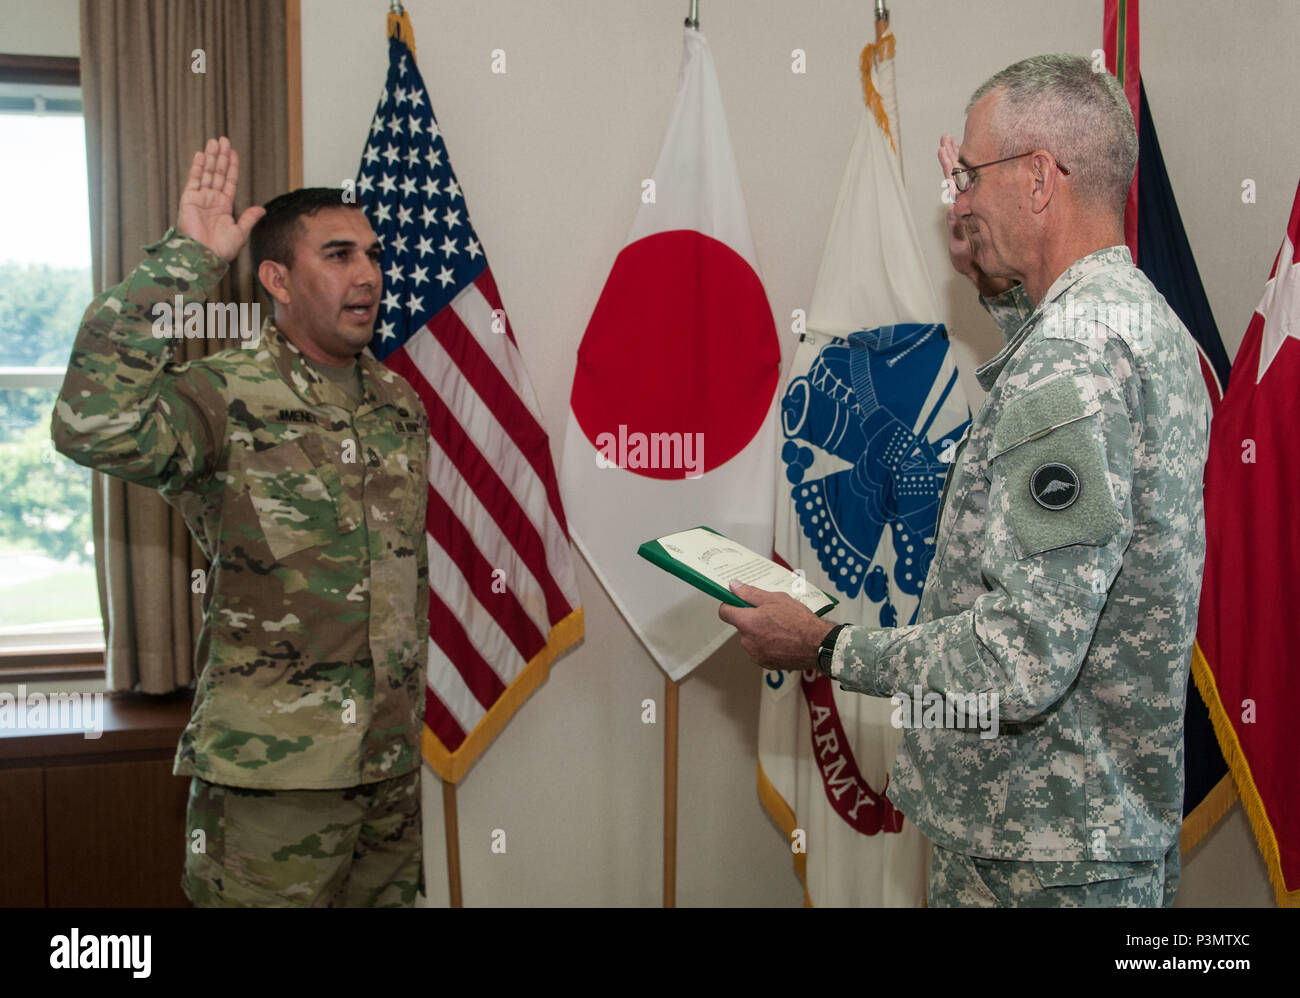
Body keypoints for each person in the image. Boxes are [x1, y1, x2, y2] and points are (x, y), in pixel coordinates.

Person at [721, 54, 1211, 907]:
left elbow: (1022, 656)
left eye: (970, 174)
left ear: (1037, 177)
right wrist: (985, 261)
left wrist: (827, 648)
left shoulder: (1071, 361)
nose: (961, 194)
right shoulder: (1137, 321)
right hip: (1088, 839)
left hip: (1035, 863)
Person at [51, 137, 430, 907]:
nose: (368, 274)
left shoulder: (397, 403)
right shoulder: (225, 395)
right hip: (274, 778)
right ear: (277, 280)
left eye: (372, 254)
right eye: (338, 254)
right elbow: (89, 423)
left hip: (388, 763)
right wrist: (184, 261)